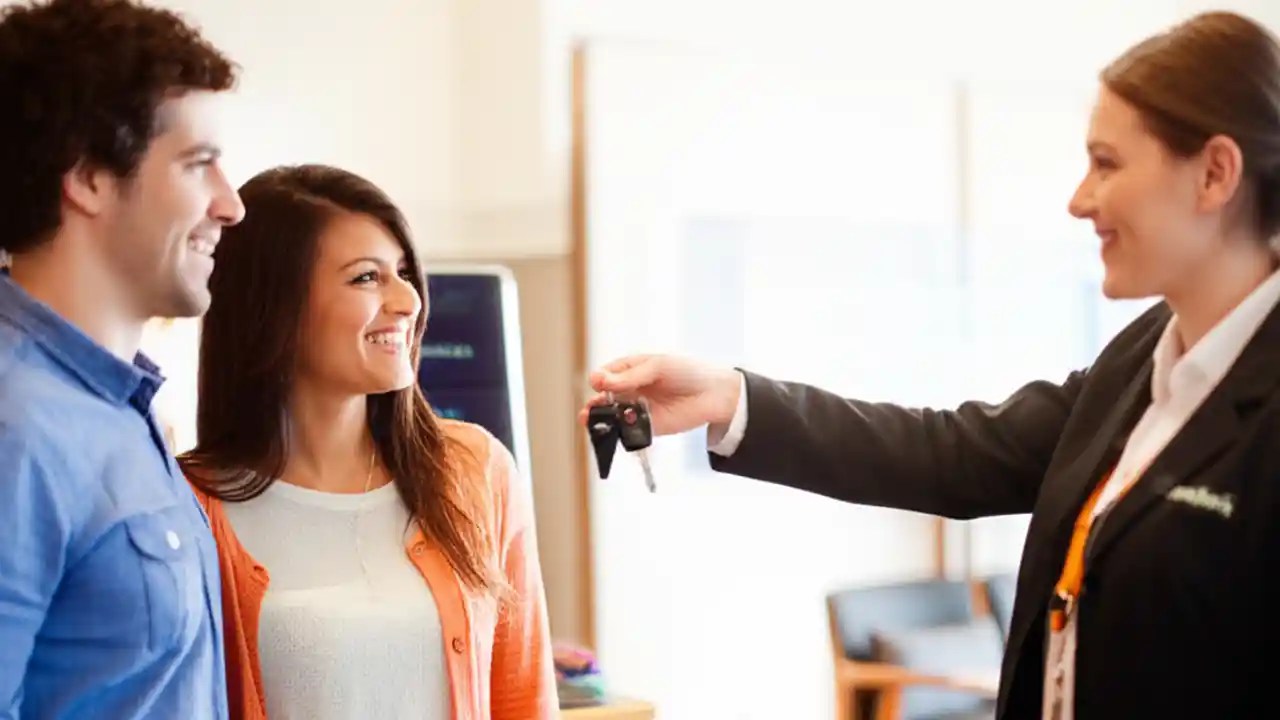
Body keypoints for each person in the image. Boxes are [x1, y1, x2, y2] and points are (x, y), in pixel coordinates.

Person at [583, 10, 1280, 720]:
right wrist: (729, 398)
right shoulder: (1142, 358)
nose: (1080, 200)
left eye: (1107, 163)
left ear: (1214, 174)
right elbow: (955, 453)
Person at [178, 164, 557, 720]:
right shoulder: (187, 507)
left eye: (402, 273)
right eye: (366, 278)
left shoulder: (475, 470)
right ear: (272, 307)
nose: (408, 301)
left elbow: (523, 700)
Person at [0, 1, 244, 718]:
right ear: (89, 179)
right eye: (198, 165)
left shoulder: (119, 409)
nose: (230, 204)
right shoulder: (18, 428)